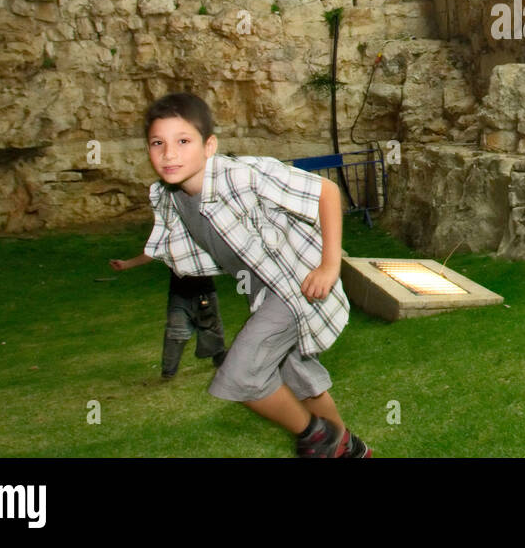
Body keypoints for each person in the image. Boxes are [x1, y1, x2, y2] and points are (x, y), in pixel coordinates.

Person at [140, 91, 371, 458]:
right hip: (262, 293)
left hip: (296, 286)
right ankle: (349, 450)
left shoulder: (243, 175)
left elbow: (326, 192)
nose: (169, 154)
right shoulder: (172, 196)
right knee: (301, 380)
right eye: (158, 143)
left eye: (183, 141)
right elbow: (174, 243)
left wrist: (329, 266)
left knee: (241, 373)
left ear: (209, 145)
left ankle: (315, 437)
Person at [106, 253, 227, 379]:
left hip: (205, 292)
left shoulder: (202, 236)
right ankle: (168, 371)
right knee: (175, 331)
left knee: (211, 327)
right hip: (179, 293)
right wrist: (126, 264)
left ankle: (220, 357)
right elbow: (152, 252)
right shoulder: (170, 236)